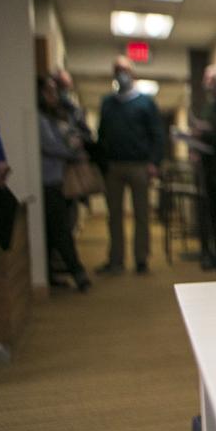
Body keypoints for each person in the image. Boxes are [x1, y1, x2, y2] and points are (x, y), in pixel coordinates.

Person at [96, 56, 163, 274]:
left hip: (139, 166)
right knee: (113, 215)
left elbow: (157, 134)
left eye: (124, 69)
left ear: (132, 73)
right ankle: (115, 259)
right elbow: (101, 134)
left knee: (141, 214)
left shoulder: (146, 102)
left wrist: (154, 162)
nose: (121, 73)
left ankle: (141, 259)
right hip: (113, 166)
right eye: (117, 70)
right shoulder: (107, 103)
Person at [37, 78, 91, 292]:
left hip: (58, 179)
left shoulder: (56, 116)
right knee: (60, 229)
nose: (55, 95)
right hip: (48, 180)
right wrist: (72, 151)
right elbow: (52, 145)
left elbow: (72, 134)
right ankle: (78, 274)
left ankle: (52, 274)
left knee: (54, 230)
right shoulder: (39, 119)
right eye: (49, 91)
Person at [192, 66, 216, 269]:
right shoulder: (208, 107)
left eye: (211, 78)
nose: (207, 82)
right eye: (205, 78)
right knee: (212, 214)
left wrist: (207, 132)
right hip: (208, 168)